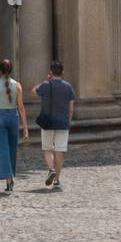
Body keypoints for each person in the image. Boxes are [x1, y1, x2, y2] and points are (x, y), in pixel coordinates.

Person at [33, 60, 77, 190]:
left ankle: (51, 169)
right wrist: (68, 120)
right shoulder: (68, 86)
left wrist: (45, 81)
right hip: (63, 122)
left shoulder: (46, 84)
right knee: (60, 151)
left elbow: (33, 91)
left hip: (48, 122)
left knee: (47, 149)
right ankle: (57, 180)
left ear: (51, 72)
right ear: (62, 72)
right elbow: (71, 108)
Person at [0, 58, 29, 192]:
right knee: (12, 149)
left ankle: (8, 179)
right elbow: (21, 107)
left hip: (0, 117)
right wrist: (26, 127)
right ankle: (11, 177)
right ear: (11, 70)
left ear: (0, 70)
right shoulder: (17, 85)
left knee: (3, 150)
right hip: (14, 117)